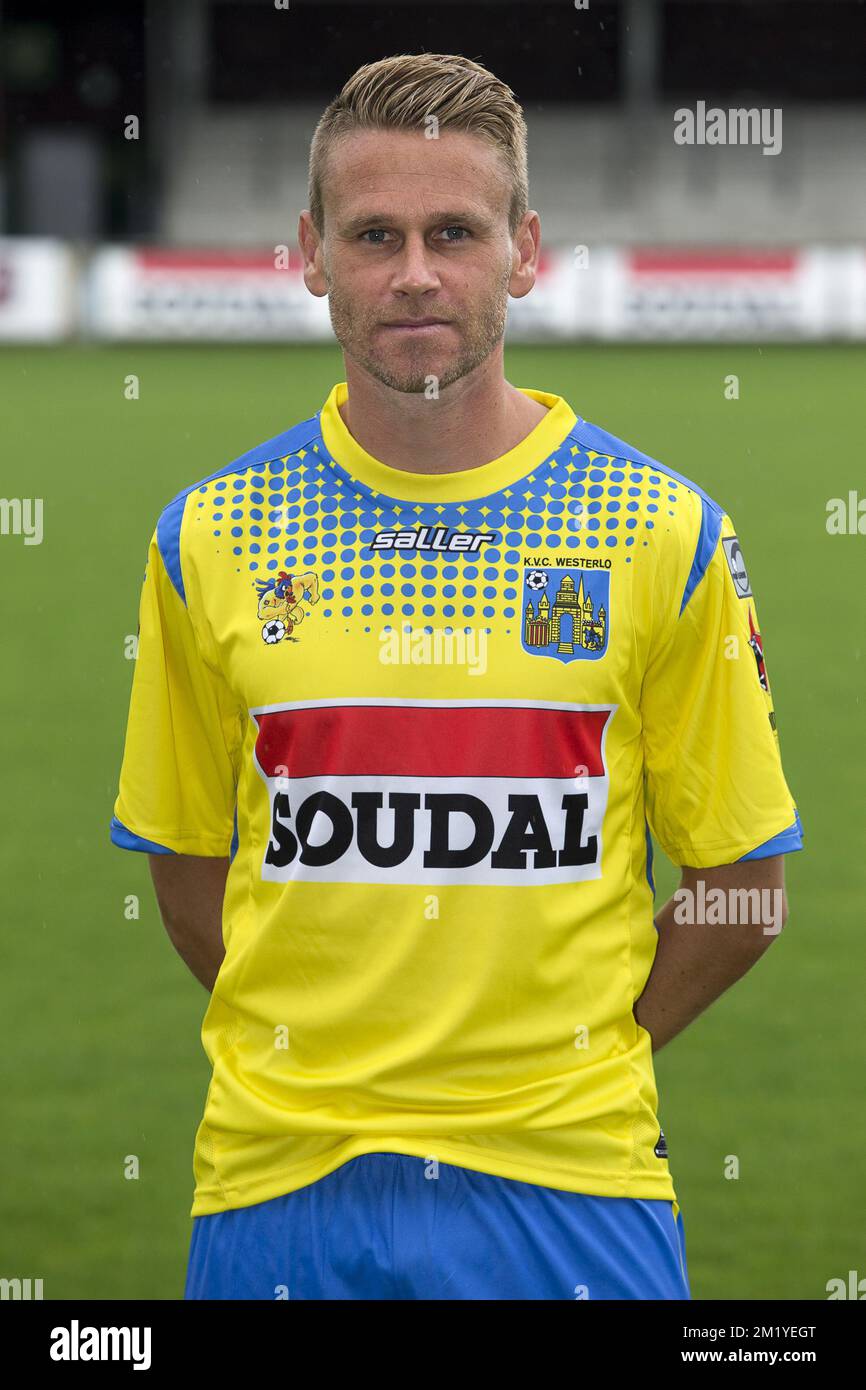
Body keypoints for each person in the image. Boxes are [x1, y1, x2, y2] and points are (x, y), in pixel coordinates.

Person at [110, 52, 803, 1300]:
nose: (415, 272)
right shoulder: (210, 535)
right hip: (281, 1187)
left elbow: (745, 888)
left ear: (524, 250)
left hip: (571, 1190)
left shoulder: (660, 527)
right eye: (374, 234)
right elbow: (186, 868)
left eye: (454, 232)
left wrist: (574, 1059)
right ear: (310, 252)